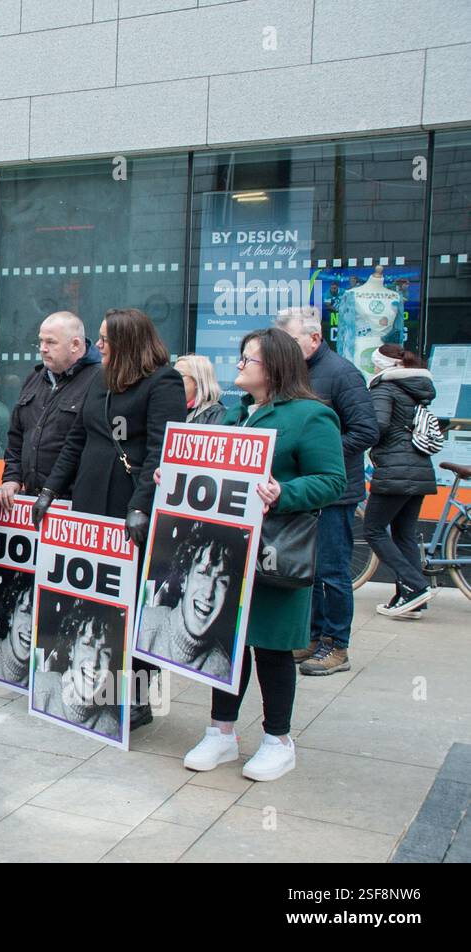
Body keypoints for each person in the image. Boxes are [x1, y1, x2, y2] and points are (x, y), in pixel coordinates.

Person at [183, 327, 345, 781]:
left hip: (277, 552)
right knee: (226, 644)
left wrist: (283, 492)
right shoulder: (236, 415)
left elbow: (332, 480)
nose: (238, 366)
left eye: (247, 360)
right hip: (228, 550)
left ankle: (278, 739)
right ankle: (222, 732)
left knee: (271, 646)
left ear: (274, 366)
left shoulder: (311, 416)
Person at [34, 307, 187, 729]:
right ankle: (93, 685)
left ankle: (139, 698)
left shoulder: (164, 382)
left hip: (131, 506)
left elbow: (162, 449)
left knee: (132, 602)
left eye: (105, 338)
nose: (98, 345)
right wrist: (50, 489)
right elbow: (76, 438)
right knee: (96, 599)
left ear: (129, 343)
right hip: (89, 499)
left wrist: (141, 505)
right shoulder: (100, 379)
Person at [275, 307, 378, 676]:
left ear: (314, 338)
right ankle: (315, 638)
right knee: (311, 570)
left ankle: (337, 645)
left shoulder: (341, 374)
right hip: (307, 490)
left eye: (289, 341)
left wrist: (322, 453)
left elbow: (367, 431)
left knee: (333, 572)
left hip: (335, 492)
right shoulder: (299, 372)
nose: (282, 350)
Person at [0, 311, 101, 507]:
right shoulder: (34, 378)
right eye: (40, 342)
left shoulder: (99, 380)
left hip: (74, 503)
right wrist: (12, 478)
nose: (43, 349)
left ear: (75, 344)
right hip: (31, 499)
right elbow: (17, 436)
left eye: (51, 342)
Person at [364, 343, 438, 619]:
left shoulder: (384, 388)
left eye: (375, 363)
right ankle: (410, 598)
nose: (372, 368)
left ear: (383, 366)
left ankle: (416, 587)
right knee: (404, 534)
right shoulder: (415, 389)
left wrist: (360, 435)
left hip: (395, 471)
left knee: (372, 529)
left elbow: (379, 425)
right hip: (418, 469)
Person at [137, 521, 239, 681]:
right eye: (203, 573)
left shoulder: (221, 667)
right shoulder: (144, 626)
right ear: (184, 577)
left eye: (222, 581)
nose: (208, 593)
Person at [29, 601, 122, 738]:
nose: (95, 660)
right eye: (87, 644)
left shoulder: (112, 728)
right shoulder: (39, 689)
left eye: (105, 652)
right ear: (71, 648)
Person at [174, 354, 227, 425]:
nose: (172, 380)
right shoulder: (171, 410)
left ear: (198, 381)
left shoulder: (215, 414)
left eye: (179, 375)